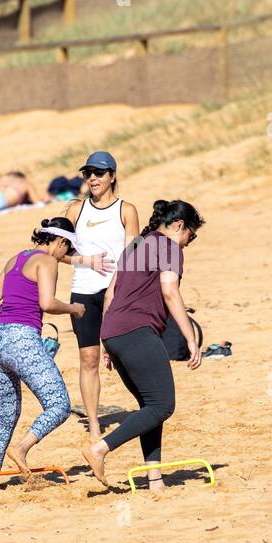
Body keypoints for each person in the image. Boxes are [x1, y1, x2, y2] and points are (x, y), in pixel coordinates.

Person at [81, 200, 204, 490]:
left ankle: (155, 479)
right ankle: (100, 449)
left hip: (113, 330)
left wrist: (107, 342)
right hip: (137, 330)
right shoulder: (169, 247)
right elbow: (170, 292)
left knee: (150, 406)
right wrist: (191, 339)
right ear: (178, 226)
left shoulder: (135, 246)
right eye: (191, 236)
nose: (189, 244)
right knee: (163, 405)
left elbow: (111, 294)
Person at [0, 218, 84, 487]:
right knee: (59, 405)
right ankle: (22, 448)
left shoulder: (15, 258)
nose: (67, 256)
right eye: (68, 250)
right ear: (60, 242)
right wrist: (74, 309)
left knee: (6, 415)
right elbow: (47, 303)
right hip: (21, 338)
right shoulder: (47, 261)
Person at [60, 150, 139, 443]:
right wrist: (85, 261)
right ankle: (94, 423)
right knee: (89, 358)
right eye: (87, 173)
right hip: (83, 291)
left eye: (99, 173)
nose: (92, 178)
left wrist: (124, 288)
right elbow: (55, 252)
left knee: (123, 354)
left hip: (117, 292)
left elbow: (133, 257)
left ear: (112, 176)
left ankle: (146, 407)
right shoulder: (75, 210)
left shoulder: (126, 210)